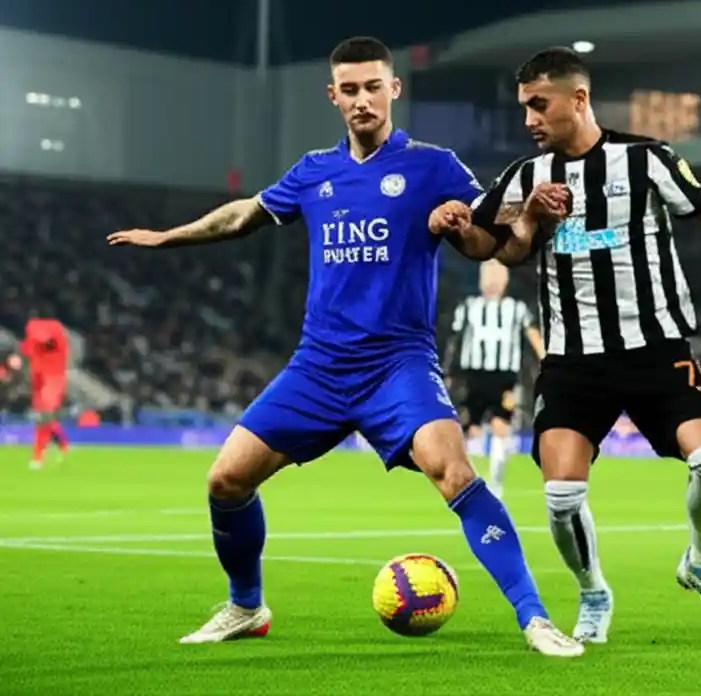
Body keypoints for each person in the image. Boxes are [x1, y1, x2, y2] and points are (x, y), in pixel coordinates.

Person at [106, 36, 581, 657]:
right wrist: (169, 237)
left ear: (394, 90)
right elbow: (244, 214)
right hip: (319, 366)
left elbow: (493, 246)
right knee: (225, 480)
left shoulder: (434, 166)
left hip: (399, 364)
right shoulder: (313, 173)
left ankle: (535, 617)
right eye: (349, 90)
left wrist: (492, 223)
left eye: (372, 87)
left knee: (456, 473)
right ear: (333, 96)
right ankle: (246, 605)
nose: (362, 100)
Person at [429, 46, 701, 643]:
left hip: (656, 346)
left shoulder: (647, 160)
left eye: (540, 104)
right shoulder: (524, 177)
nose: (529, 118)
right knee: (561, 496)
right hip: (571, 359)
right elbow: (497, 248)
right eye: (523, 107)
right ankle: (593, 592)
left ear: (578, 99)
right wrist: (462, 225)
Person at [448, 260, 544, 498]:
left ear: (505, 281)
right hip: (474, 376)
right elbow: (454, 339)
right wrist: (447, 368)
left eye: (496, 276)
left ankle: (496, 484)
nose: (491, 281)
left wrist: (546, 357)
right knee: (471, 428)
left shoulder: (516, 309)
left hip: (504, 379)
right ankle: (470, 484)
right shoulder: (469, 306)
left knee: (501, 426)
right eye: (487, 276)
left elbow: (531, 332)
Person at [15, 316, 72, 469]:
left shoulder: (57, 341)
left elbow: (41, 343)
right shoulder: (36, 338)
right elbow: (24, 349)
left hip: (53, 379)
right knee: (45, 417)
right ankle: (64, 445)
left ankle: (38, 456)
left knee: (44, 416)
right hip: (38, 378)